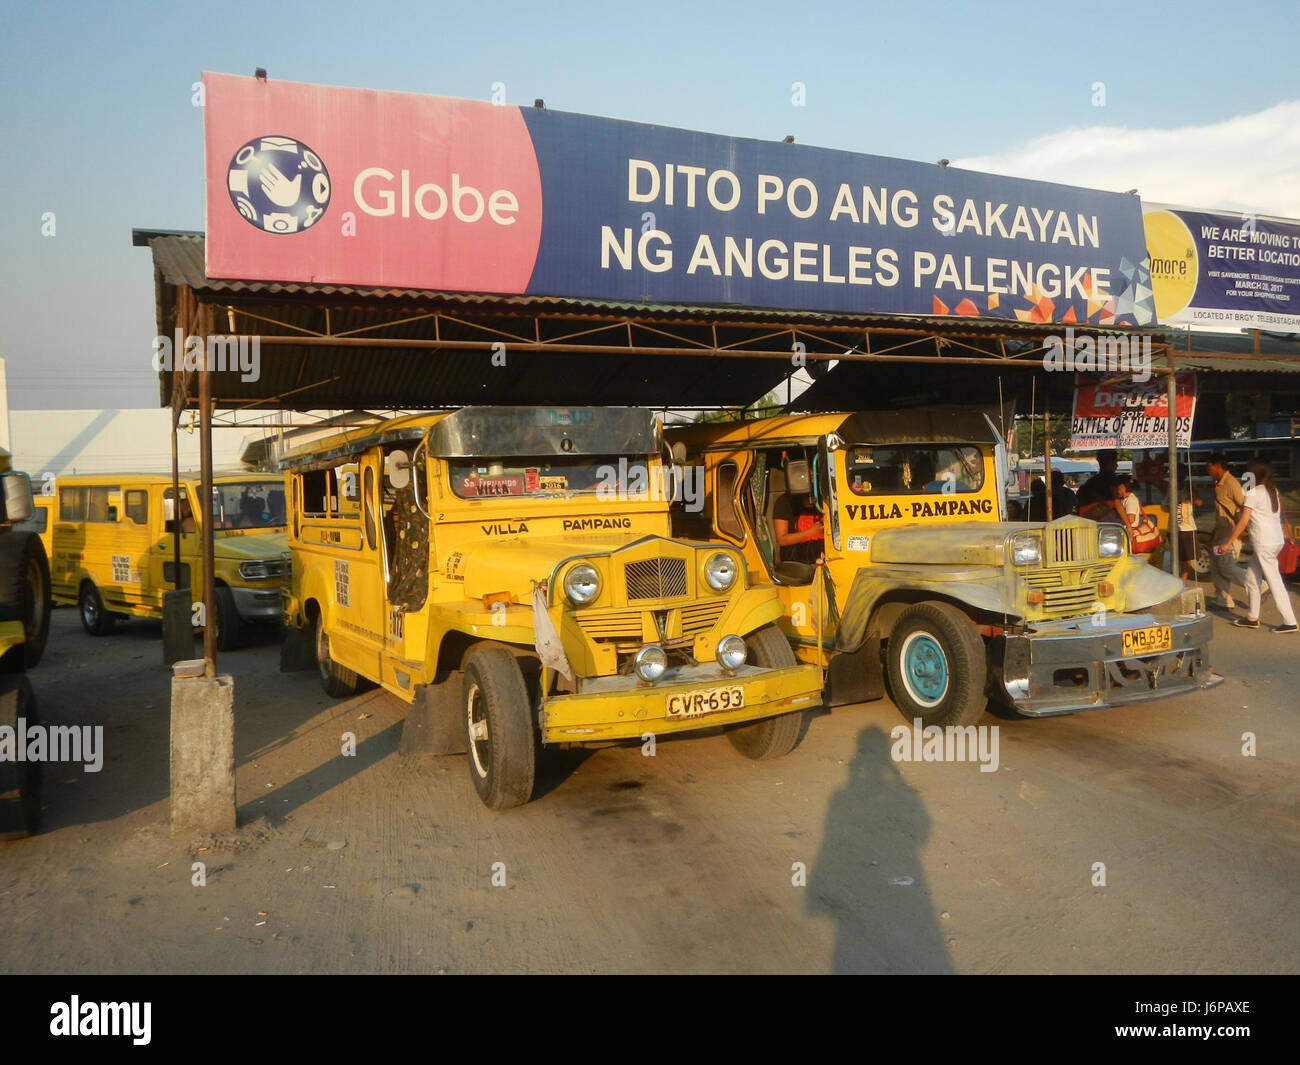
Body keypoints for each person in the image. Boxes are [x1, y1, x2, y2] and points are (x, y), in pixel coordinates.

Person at [1214, 461, 1297, 632]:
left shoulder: (1253, 492)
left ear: (1255, 475)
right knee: (1252, 577)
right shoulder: (1273, 491)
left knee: (1275, 581)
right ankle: (1252, 617)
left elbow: (1244, 520)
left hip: (1264, 542)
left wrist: (1228, 543)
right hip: (1275, 541)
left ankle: (1290, 622)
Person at [1205, 454, 1247, 609]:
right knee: (1216, 565)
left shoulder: (1231, 483)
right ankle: (1223, 599)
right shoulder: (1218, 483)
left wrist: (1243, 529)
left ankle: (1258, 585)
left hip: (1231, 533)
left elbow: (1244, 507)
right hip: (1220, 532)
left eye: (1209, 466)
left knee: (1226, 566)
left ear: (1217, 465)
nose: (1207, 470)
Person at [773, 492, 824, 565]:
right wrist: (811, 532)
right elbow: (781, 540)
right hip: (796, 557)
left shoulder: (826, 497)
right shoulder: (785, 501)